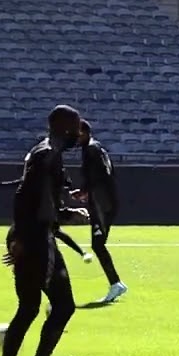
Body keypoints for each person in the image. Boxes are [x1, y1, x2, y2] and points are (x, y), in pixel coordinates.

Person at [0, 105, 88, 356]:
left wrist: (68, 213)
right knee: (63, 305)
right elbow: (24, 196)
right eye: (75, 127)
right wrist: (20, 237)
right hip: (35, 238)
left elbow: (40, 199)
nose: (78, 133)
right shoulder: (47, 154)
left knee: (30, 306)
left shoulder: (44, 153)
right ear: (61, 126)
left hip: (33, 234)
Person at [74, 120, 127, 303]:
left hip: (102, 204)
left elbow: (101, 175)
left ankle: (116, 283)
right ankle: (116, 283)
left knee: (98, 244)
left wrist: (87, 192)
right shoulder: (95, 148)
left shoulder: (91, 150)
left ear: (84, 132)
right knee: (98, 245)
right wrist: (85, 191)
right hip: (102, 201)